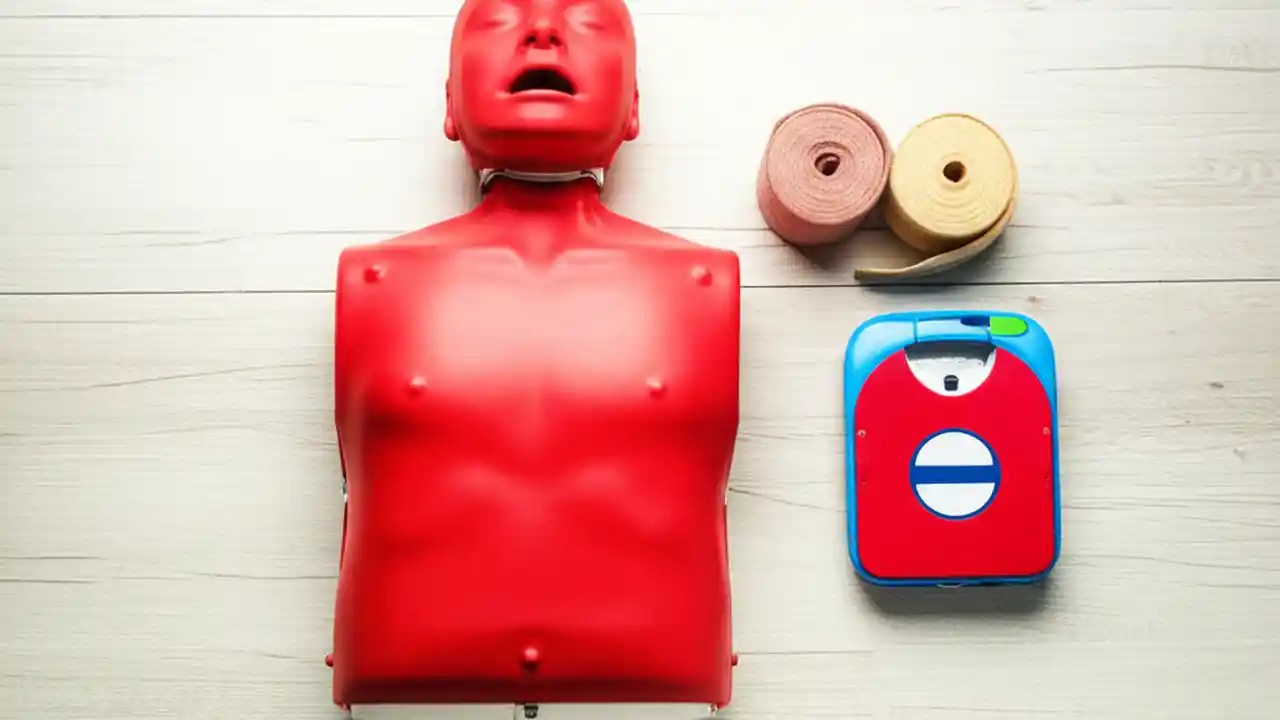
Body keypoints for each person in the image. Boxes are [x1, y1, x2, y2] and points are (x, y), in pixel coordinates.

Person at [329, 0, 740, 713]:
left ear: (633, 108)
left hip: (657, 697)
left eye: (589, 21)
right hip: (403, 695)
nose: (543, 32)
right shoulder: (373, 279)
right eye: (496, 20)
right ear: (450, 107)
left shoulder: (705, 282)